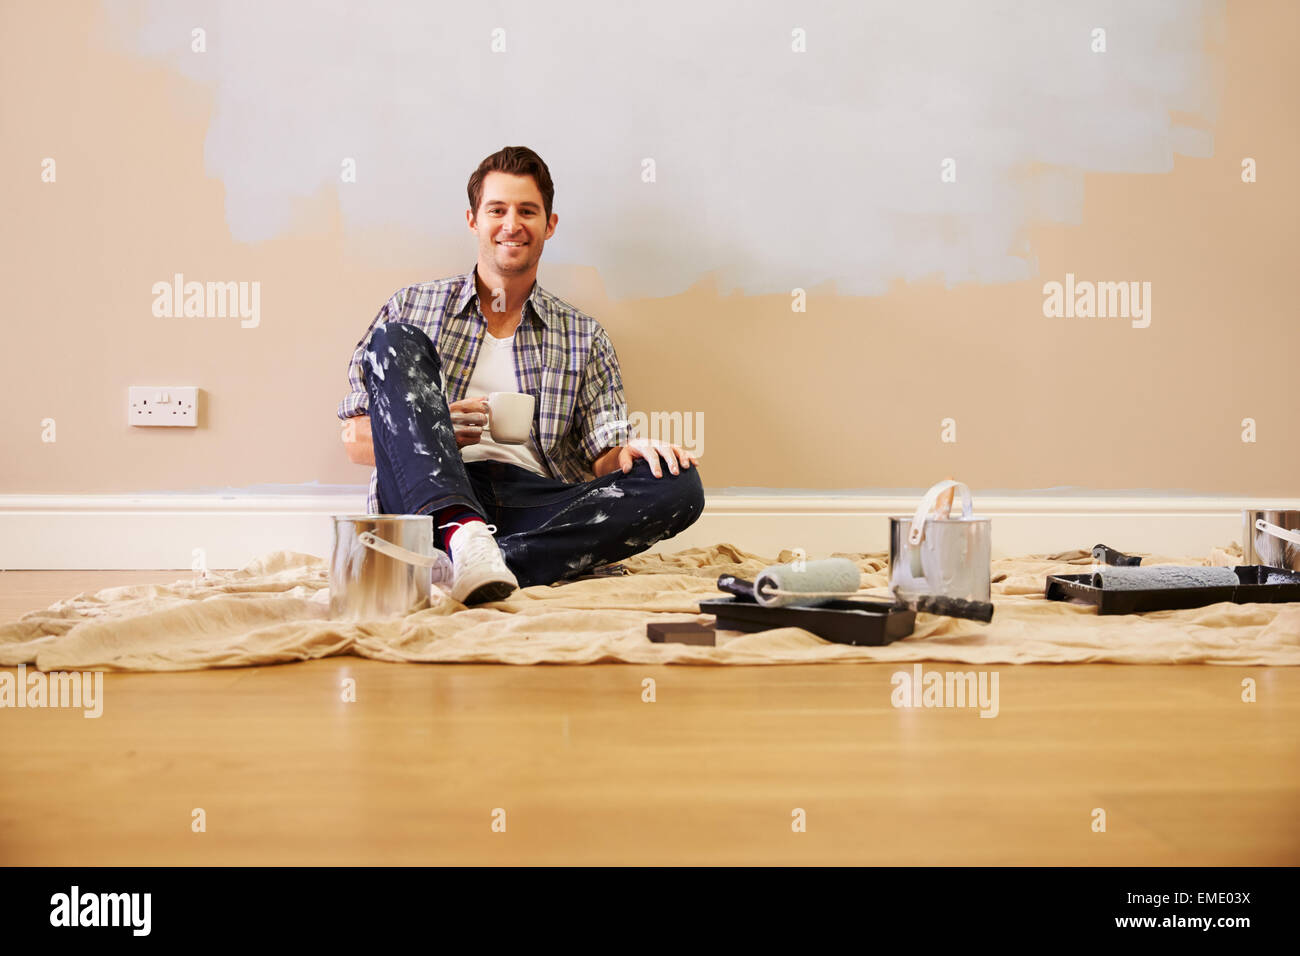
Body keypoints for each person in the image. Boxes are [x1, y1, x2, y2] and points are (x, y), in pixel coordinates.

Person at [337, 146, 704, 605]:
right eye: (497, 210)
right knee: (396, 339)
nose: (512, 224)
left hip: (533, 502)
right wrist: (433, 432)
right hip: (426, 495)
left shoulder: (583, 335)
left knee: (680, 486)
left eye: (527, 211)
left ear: (549, 225)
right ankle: (463, 533)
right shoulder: (411, 307)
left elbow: (604, 454)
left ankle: (489, 562)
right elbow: (355, 440)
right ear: (473, 220)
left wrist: (631, 453)